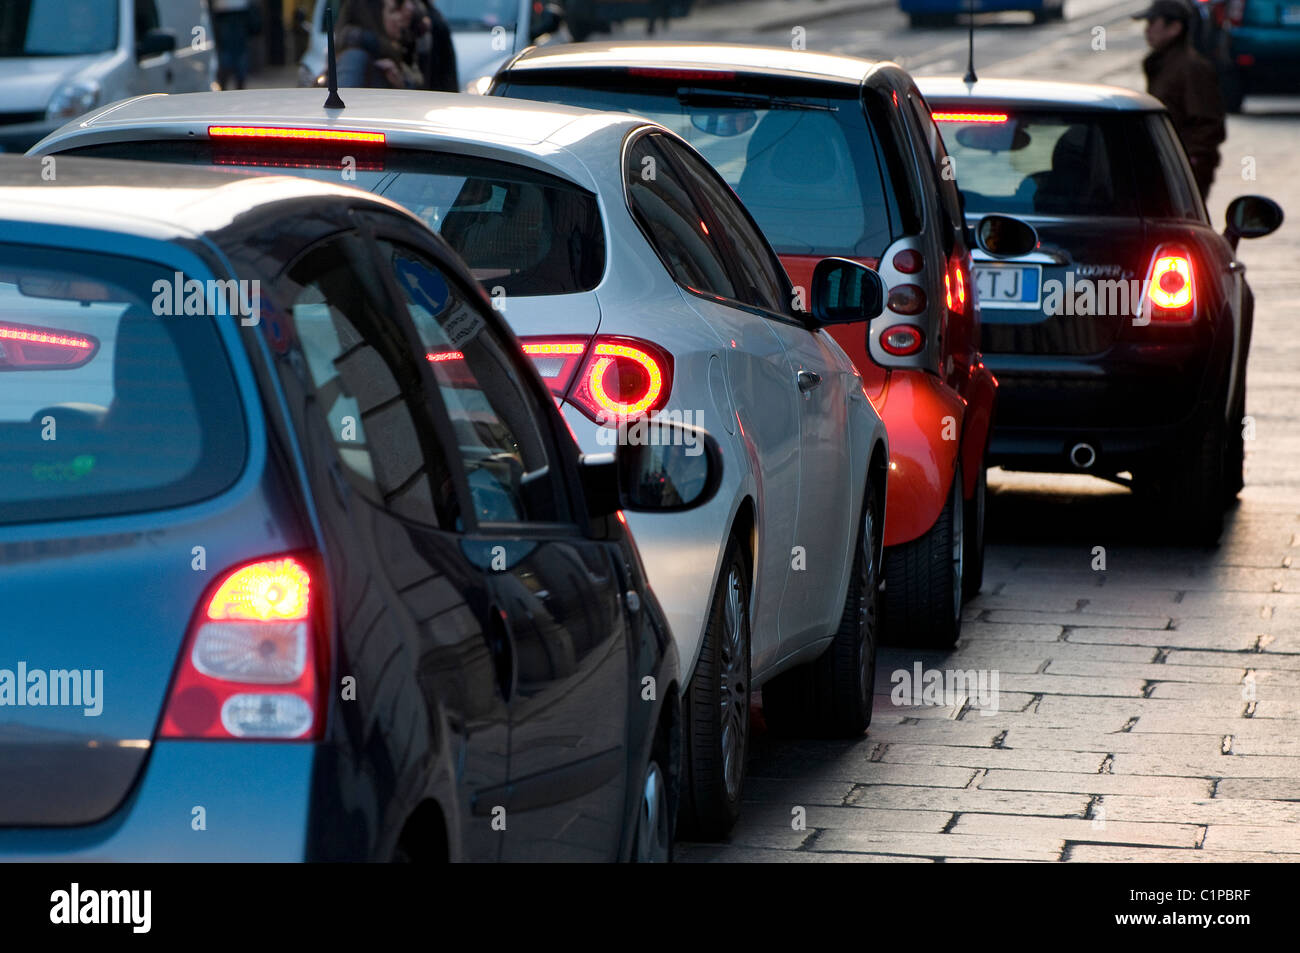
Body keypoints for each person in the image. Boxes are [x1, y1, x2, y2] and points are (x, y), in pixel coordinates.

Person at [1134, 0, 1226, 197]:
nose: (1147, 31)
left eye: (1152, 23)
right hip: (1166, 165)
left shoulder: (1191, 67)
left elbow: (1209, 123)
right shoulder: (1163, 63)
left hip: (1183, 171)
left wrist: (1187, 161)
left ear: (1174, 28)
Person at [337, 0, 422, 88]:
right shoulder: (355, 58)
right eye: (393, 11)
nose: (399, 18)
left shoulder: (401, 50)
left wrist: (402, 84)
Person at [212, 0, 255, 90]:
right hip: (233, 34)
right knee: (233, 68)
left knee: (232, 68)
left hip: (232, 32)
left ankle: (228, 90)